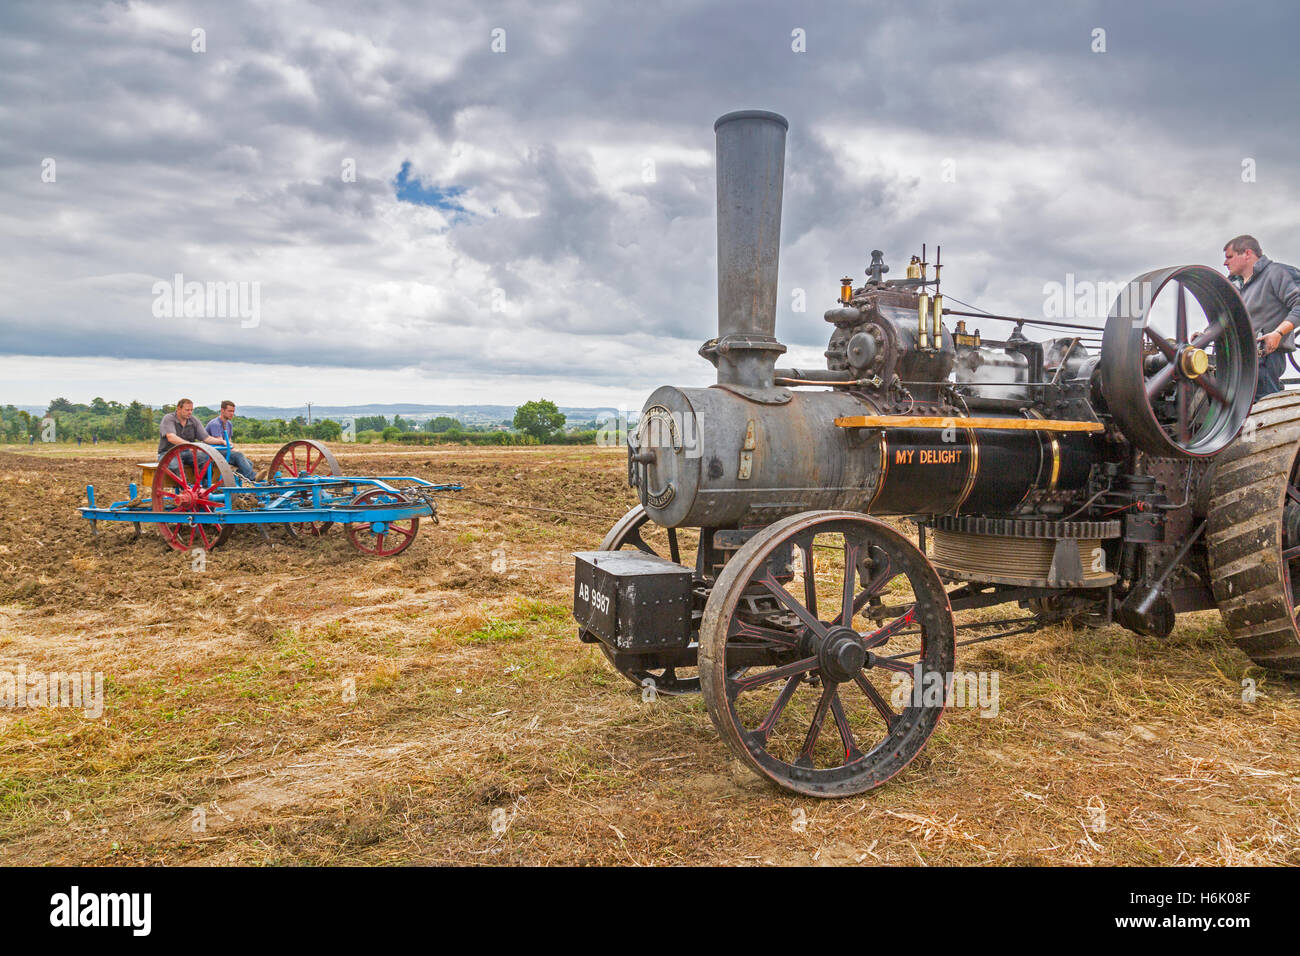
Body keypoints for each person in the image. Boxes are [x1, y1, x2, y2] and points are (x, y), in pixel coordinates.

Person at [1223, 235, 1300, 401]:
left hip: (1265, 359)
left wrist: (1278, 334)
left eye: (1229, 257)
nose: (1225, 263)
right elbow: (1227, 320)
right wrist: (1205, 335)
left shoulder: (1277, 273)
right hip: (1237, 363)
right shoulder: (1236, 288)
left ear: (1247, 253)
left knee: (1261, 412)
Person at [158, 398, 234, 474]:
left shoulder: (193, 420)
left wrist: (221, 441)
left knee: (205, 460)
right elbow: (171, 437)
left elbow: (206, 438)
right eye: (187, 410)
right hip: (168, 452)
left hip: (187, 452)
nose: (190, 412)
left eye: (191, 410)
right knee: (175, 466)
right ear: (178, 408)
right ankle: (185, 485)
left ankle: (204, 484)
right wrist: (189, 445)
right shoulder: (169, 418)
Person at [204, 400, 257, 481]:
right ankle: (252, 477)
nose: (232, 413)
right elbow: (220, 442)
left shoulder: (229, 424)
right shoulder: (215, 424)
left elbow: (229, 441)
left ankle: (236, 478)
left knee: (249, 463)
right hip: (213, 452)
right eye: (229, 411)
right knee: (238, 455)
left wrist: (233, 448)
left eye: (233, 411)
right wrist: (233, 450)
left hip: (224, 450)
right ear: (222, 410)